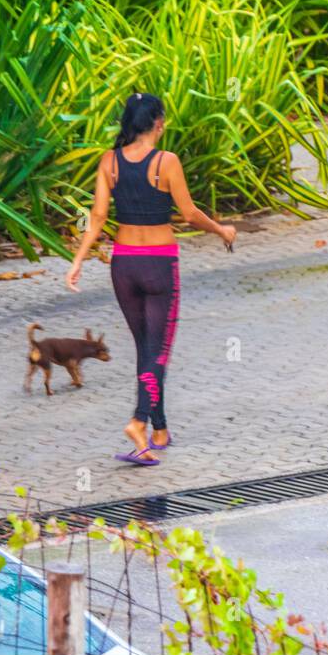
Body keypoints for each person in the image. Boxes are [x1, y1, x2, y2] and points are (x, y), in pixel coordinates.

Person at [66, 93, 236, 465]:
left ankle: (159, 429)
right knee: (157, 352)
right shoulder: (166, 162)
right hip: (159, 265)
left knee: (146, 349)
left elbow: (97, 217)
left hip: (123, 265)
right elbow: (189, 214)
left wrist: (78, 260)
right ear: (158, 122)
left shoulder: (109, 161)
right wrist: (221, 230)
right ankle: (137, 423)